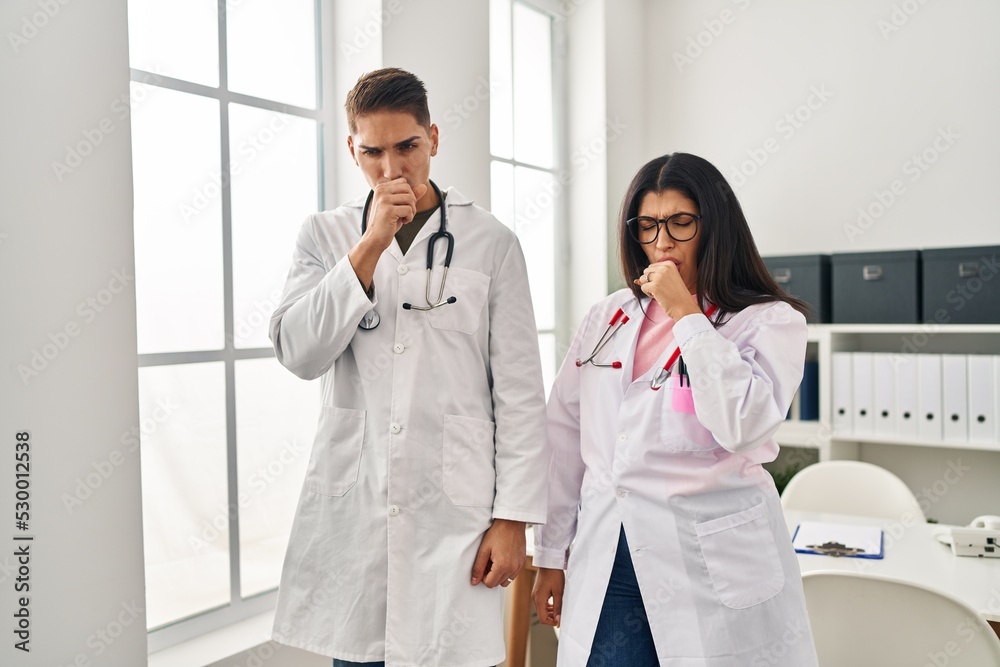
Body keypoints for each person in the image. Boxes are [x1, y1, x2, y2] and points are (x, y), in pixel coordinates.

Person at [268, 68, 548, 667]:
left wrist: (512, 520)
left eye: (407, 146)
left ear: (434, 139)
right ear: (353, 150)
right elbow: (297, 352)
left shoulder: (492, 242)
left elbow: (520, 393)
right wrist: (369, 246)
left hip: (455, 519)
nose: (391, 168)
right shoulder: (325, 235)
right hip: (358, 514)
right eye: (373, 152)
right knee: (361, 653)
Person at [531, 152, 819, 665]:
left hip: (710, 563)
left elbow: (744, 425)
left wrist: (686, 314)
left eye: (680, 223)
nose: (662, 242)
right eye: (647, 226)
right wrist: (551, 553)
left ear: (716, 226)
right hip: (609, 558)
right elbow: (564, 437)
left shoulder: (766, 320)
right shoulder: (608, 317)